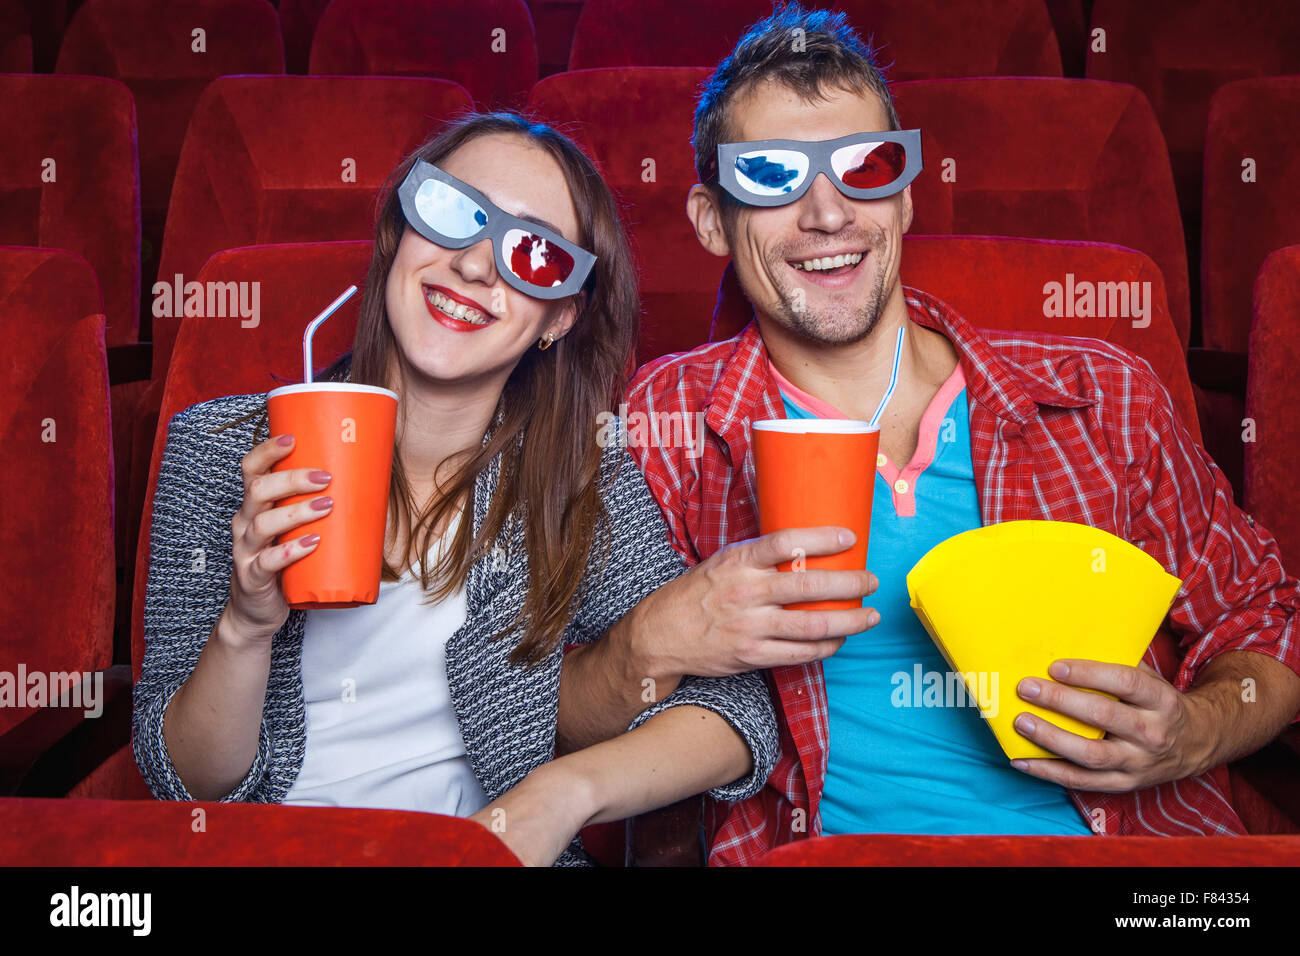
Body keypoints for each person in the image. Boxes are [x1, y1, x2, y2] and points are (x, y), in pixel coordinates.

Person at [557, 4, 1300, 864]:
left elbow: (1269, 624)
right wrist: (654, 637)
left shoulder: (1103, 395)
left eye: (865, 168)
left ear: (905, 199)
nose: (828, 214)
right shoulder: (664, 425)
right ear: (711, 220)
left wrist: (1193, 732)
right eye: (770, 175)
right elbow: (559, 709)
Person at [132, 112, 779, 867]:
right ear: (398, 237)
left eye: (532, 253)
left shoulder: (576, 477)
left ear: (559, 316)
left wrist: (557, 796)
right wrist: (246, 624)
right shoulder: (218, 449)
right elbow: (188, 783)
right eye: (452, 213)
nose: (476, 265)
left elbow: (739, 715)